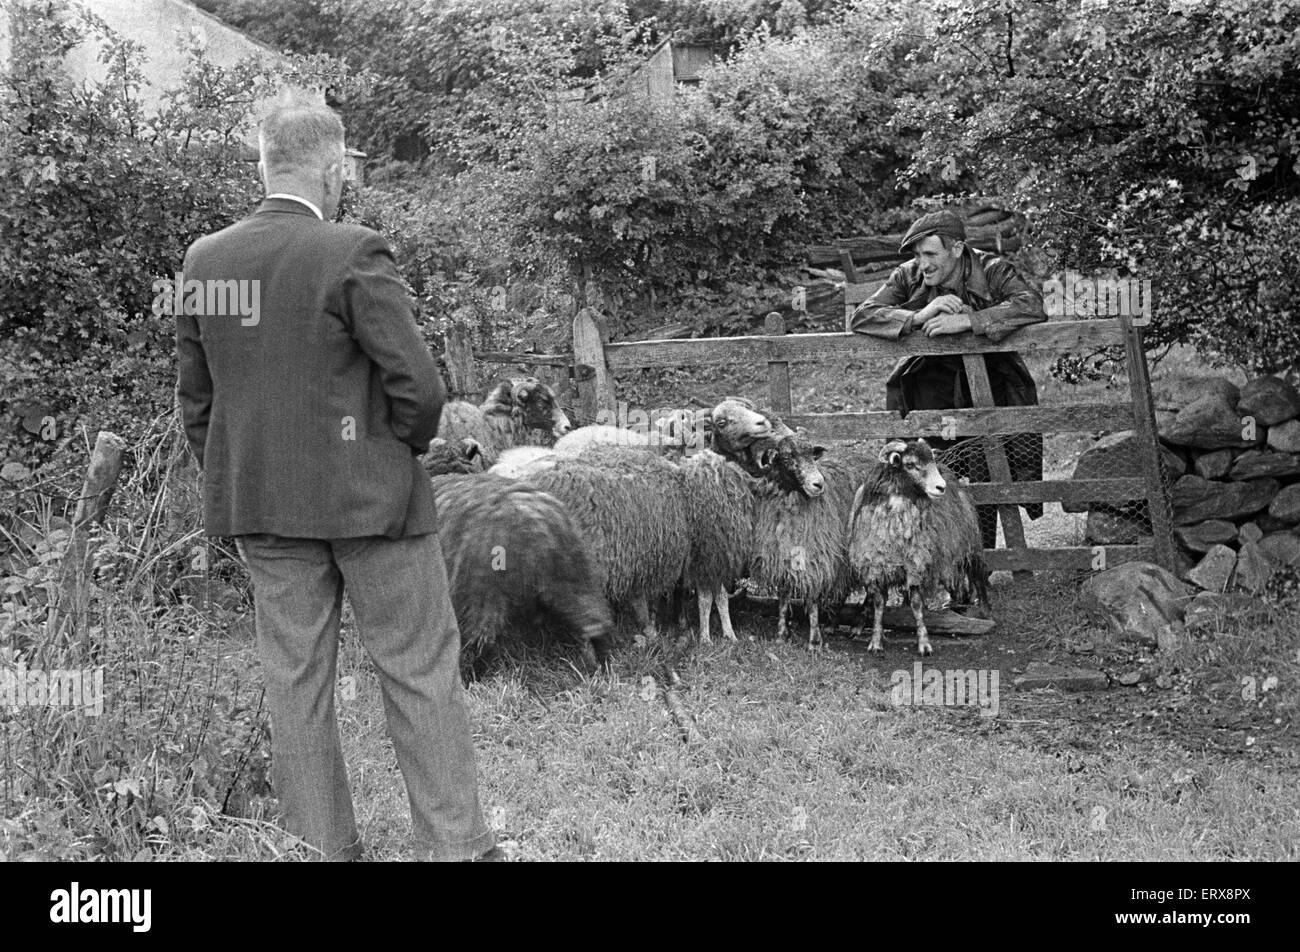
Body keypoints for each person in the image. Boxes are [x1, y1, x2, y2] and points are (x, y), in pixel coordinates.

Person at [175, 99, 495, 862]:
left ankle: (320, 849)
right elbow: (419, 386)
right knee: (417, 669)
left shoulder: (203, 261)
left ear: (263, 164)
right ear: (330, 169)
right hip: (374, 506)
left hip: (265, 510)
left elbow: (198, 403)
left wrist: (243, 476)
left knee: (296, 682)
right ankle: (454, 849)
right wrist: (397, 453)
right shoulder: (353, 250)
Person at [850, 209, 1047, 551]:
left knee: (986, 467)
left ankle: (979, 565)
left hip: (988, 380)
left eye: (930, 254)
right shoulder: (908, 275)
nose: (922, 264)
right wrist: (917, 316)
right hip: (930, 381)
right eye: (917, 255)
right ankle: (938, 562)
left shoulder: (992, 268)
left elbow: (1031, 304)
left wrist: (971, 321)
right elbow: (862, 315)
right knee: (934, 468)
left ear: (956, 250)